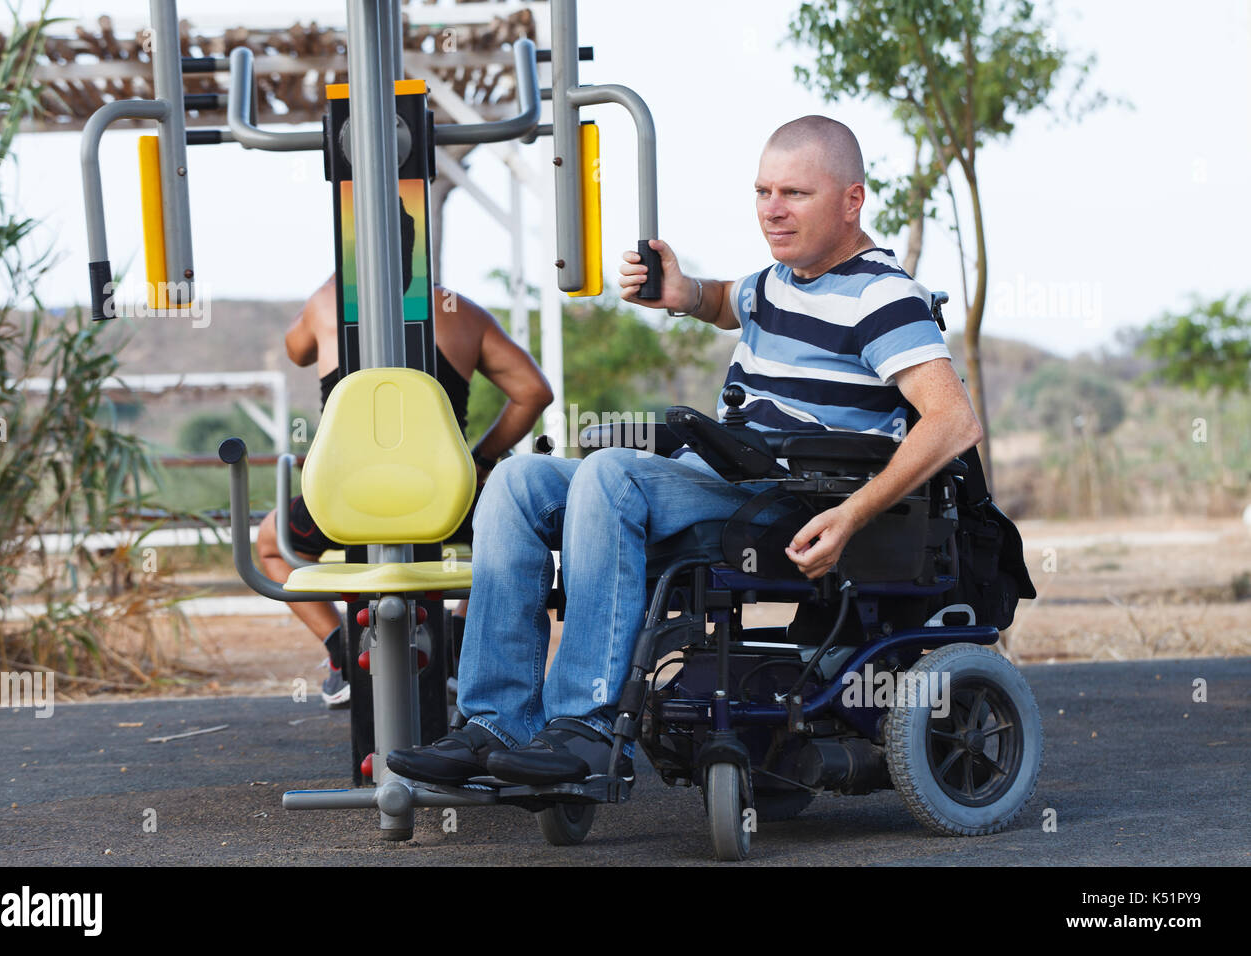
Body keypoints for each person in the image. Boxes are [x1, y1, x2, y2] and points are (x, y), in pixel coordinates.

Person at [386, 115, 983, 787]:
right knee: (519, 479)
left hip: (789, 497)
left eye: (794, 194)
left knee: (613, 475)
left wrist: (852, 516)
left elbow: (953, 422)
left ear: (852, 201)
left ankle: (584, 726)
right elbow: (734, 300)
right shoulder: (785, 277)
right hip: (721, 473)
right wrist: (684, 294)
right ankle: (495, 721)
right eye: (762, 192)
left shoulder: (883, 297)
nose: (773, 212)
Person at [256, 275, 552, 707]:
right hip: (444, 496)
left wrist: (336, 283)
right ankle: (455, 651)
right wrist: (480, 461)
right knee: (508, 539)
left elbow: (295, 350)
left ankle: (342, 650)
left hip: (348, 499)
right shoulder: (461, 311)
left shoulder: (327, 301)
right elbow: (534, 391)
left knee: (270, 544)